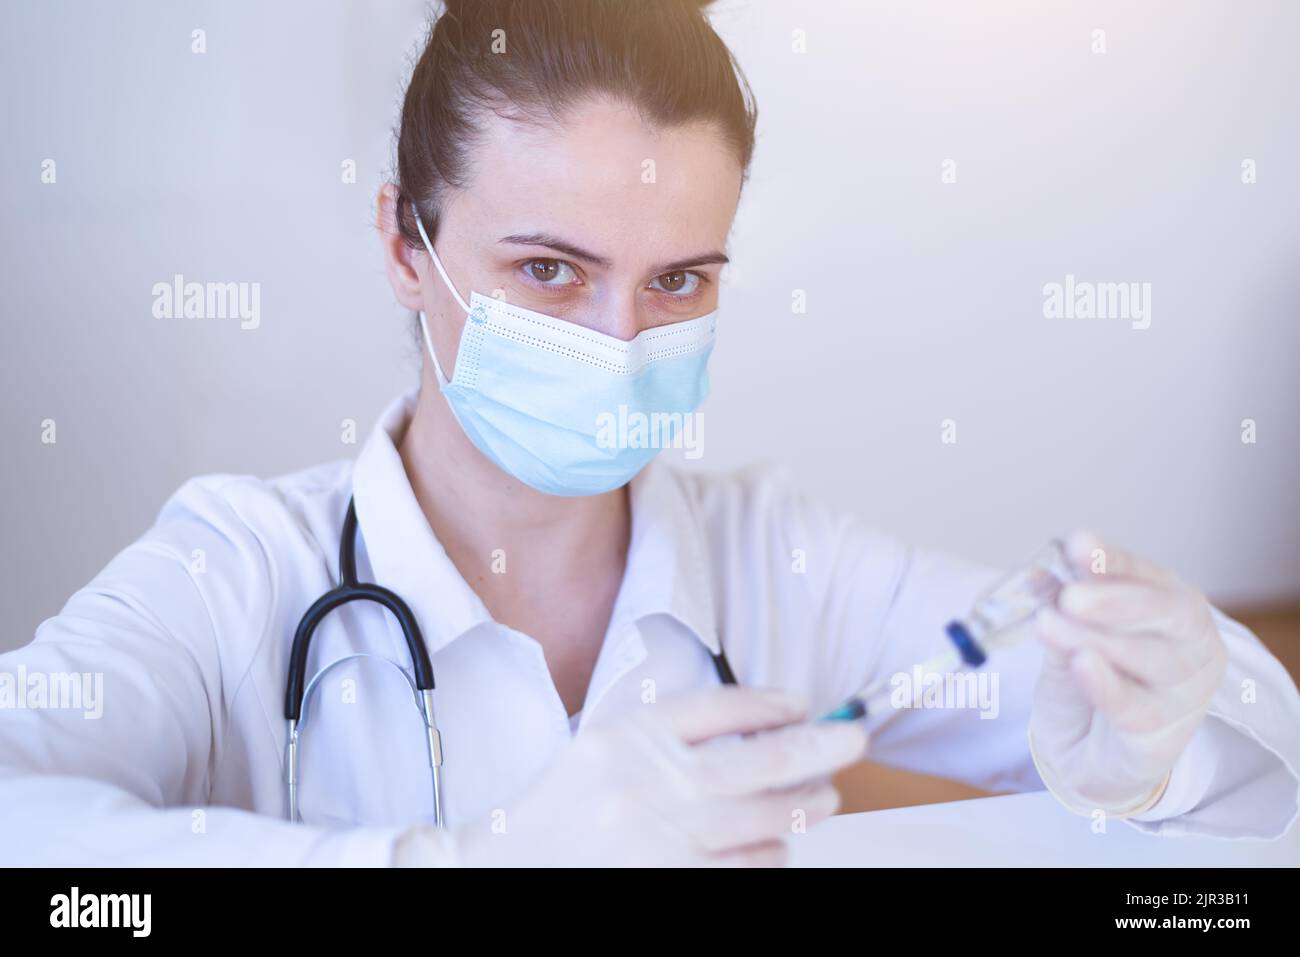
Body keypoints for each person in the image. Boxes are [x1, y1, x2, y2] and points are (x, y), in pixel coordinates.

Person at [2, 0, 1297, 867]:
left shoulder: (775, 560)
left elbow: (1268, 789)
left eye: (678, 280)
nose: (623, 343)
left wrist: (1162, 732)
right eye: (552, 271)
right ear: (406, 243)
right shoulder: (233, 573)